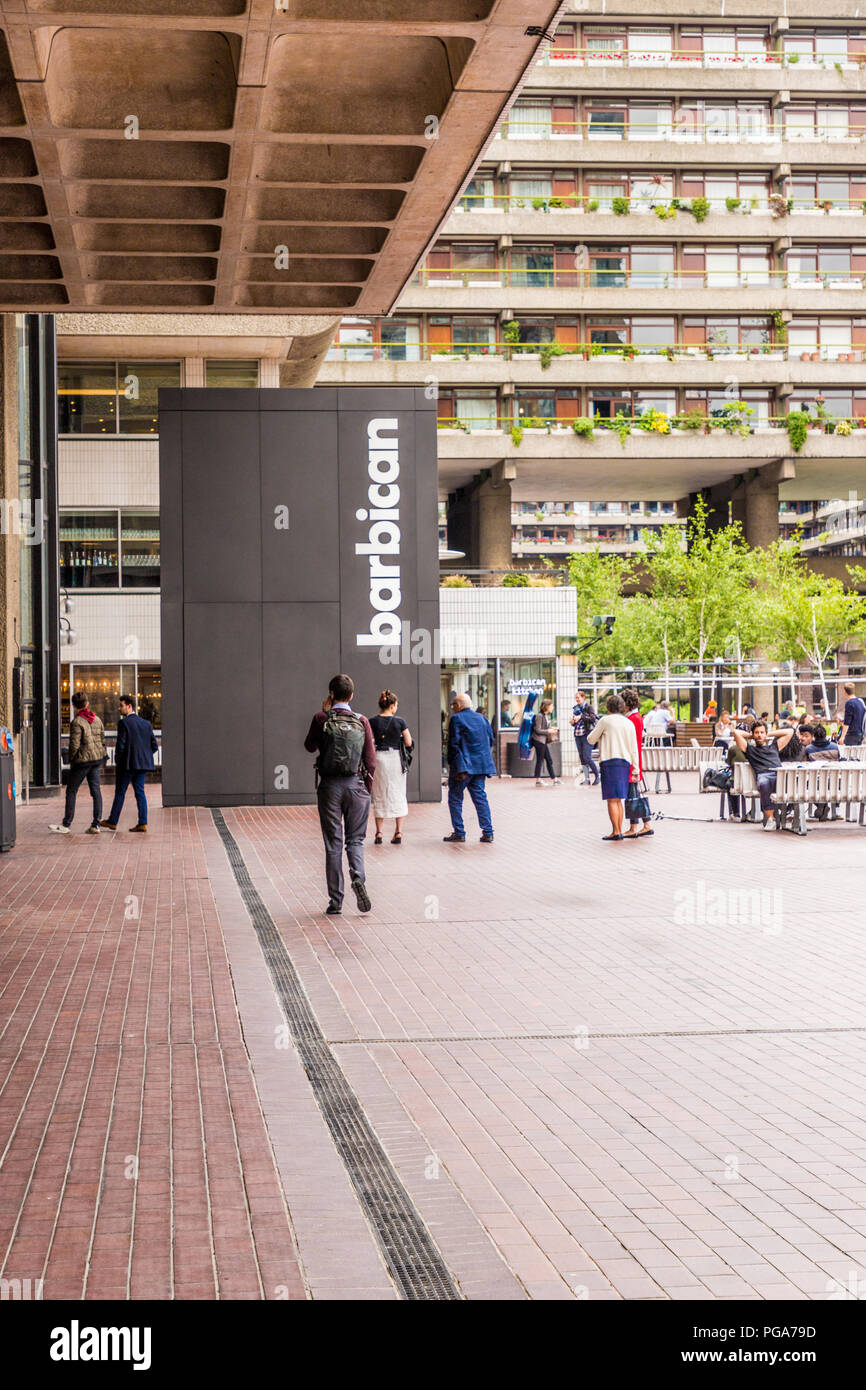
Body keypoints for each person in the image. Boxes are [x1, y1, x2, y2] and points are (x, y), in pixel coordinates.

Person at [304, 674, 375, 916]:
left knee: (333, 844)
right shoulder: (362, 721)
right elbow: (370, 760)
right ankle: (358, 878)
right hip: (356, 787)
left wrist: (324, 713)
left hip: (330, 787)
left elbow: (309, 746)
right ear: (351, 695)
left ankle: (336, 901)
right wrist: (366, 789)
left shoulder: (321, 718)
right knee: (355, 841)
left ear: (331, 694)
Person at [99, 694, 158, 833]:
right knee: (140, 793)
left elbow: (121, 746)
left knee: (120, 792)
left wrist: (118, 762)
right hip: (141, 765)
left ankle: (113, 821)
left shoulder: (124, 723)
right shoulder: (146, 724)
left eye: (121, 706)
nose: (119, 708)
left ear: (129, 706)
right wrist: (143, 756)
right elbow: (154, 746)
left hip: (127, 765)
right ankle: (143, 823)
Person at [50, 691, 106, 835]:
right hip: (96, 760)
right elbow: (102, 739)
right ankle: (96, 824)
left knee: (71, 790)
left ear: (74, 706)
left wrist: (72, 759)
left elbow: (74, 745)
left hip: (82, 761)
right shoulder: (97, 719)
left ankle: (66, 824)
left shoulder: (77, 722)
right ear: (87, 703)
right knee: (96, 791)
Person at [586, 693, 640, 842]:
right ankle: (619, 830)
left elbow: (590, 739)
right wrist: (636, 769)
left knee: (611, 799)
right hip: (625, 763)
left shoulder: (605, 721)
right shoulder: (628, 723)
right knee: (619, 799)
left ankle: (616, 831)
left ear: (609, 706)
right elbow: (634, 748)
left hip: (609, 762)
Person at [444, 693, 496, 843]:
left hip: (463, 768)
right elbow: (490, 740)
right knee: (480, 798)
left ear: (459, 705)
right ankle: (488, 832)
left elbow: (453, 744)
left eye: (453, 704)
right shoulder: (482, 718)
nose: (452, 707)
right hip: (480, 766)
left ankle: (459, 832)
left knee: (455, 798)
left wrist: (451, 763)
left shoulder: (456, 719)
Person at [731, 719, 796, 831]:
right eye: (757, 733)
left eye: (762, 732)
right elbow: (736, 732)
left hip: (778, 775)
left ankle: (793, 813)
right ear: (753, 734)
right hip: (764, 775)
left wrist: (768, 734)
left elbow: (790, 731)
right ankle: (771, 819)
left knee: (795, 781)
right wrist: (752, 736)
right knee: (763, 783)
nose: (759, 735)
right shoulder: (750, 749)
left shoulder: (774, 746)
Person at [369, 689, 413, 845]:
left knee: (379, 793)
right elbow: (408, 742)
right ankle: (398, 832)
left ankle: (379, 833)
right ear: (392, 705)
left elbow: (369, 741)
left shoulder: (372, 721)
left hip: (379, 759)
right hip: (396, 759)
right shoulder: (400, 722)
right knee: (399, 793)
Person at [571, 690, 599, 785]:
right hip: (578, 735)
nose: (577, 699)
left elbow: (592, 718)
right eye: (576, 697)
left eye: (578, 697)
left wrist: (581, 717)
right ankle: (587, 779)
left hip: (587, 735)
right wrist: (573, 722)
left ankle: (597, 776)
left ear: (583, 697)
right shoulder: (575, 708)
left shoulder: (589, 707)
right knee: (582, 758)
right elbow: (576, 722)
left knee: (587, 757)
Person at [531, 698, 560, 787]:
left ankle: (554, 779)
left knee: (548, 759)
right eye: (551, 706)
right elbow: (537, 730)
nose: (553, 708)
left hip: (542, 741)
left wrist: (551, 728)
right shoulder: (539, 716)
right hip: (539, 741)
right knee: (540, 760)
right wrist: (548, 731)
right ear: (547, 706)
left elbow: (543, 727)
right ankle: (538, 780)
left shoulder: (544, 715)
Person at [840, 683, 866, 747]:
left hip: (851, 735)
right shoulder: (861, 702)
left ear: (845, 692)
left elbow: (847, 722)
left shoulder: (849, 703)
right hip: (860, 733)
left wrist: (842, 737)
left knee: (849, 752)